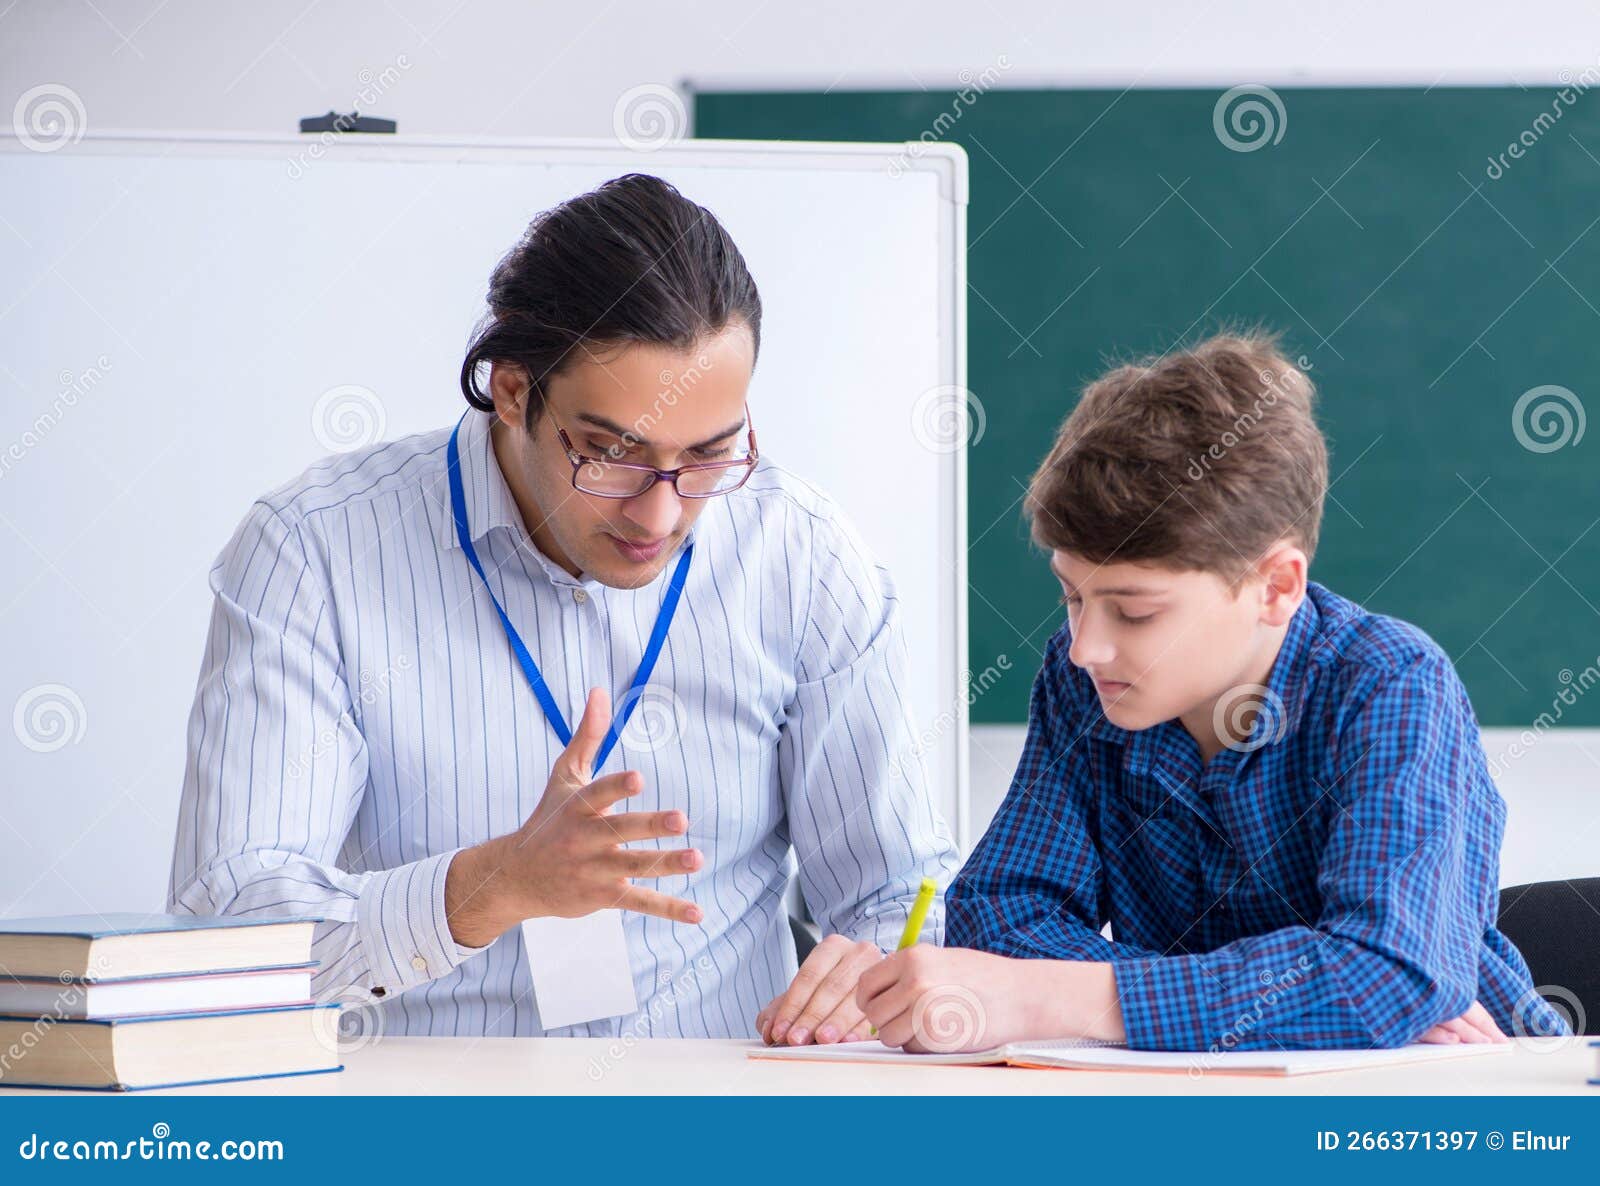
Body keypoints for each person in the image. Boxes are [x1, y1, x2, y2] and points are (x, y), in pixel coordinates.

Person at [168, 173, 959, 1042]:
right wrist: (492, 885)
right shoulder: (312, 551)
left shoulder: (802, 556)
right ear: (513, 392)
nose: (661, 515)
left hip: (717, 1122)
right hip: (427, 1124)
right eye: (612, 454)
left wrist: (878, 973)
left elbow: (899, 894)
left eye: (709, 455)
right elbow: (229, 934)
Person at [857, 332, 1566, 1053]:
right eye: (1072, 596)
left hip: (1455, 1086)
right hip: (1205, 1094)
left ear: (1275, 587)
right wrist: (1293, 1002)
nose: (1085, 646)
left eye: (1135, 611)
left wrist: (1051, 996)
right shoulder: (1083, 685)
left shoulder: (1389, 684)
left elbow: (1386, 976)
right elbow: (999, 917)